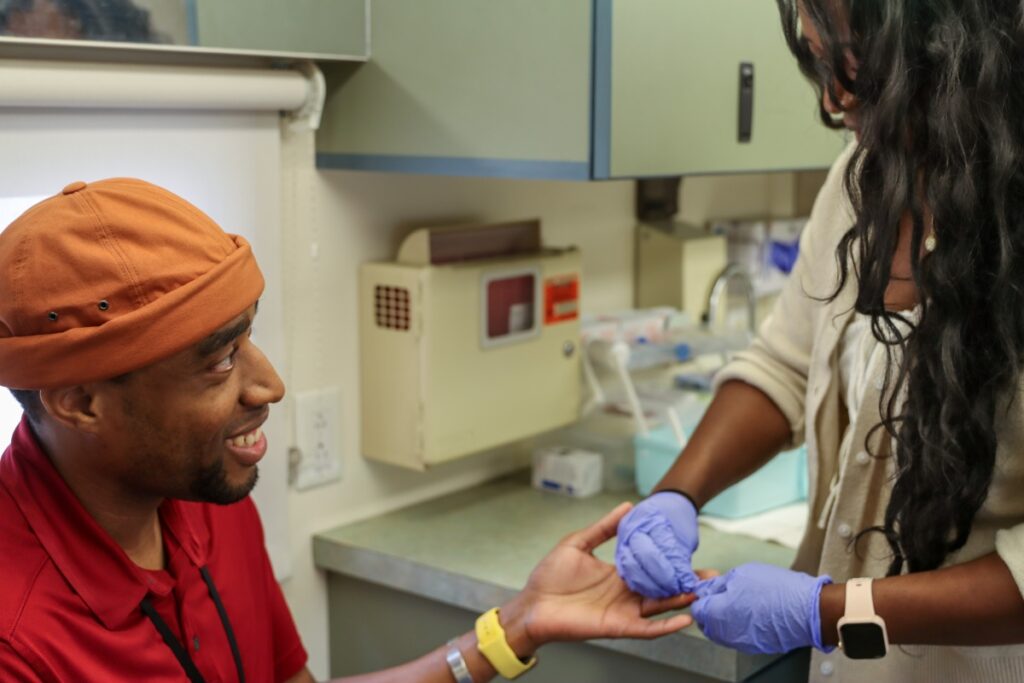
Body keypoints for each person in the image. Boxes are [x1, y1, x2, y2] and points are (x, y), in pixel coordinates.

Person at [0, 178, 701, 682]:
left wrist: (515, 625)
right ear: (81, 403)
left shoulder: (200, 500)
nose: (268, 385)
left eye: (247, 338)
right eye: (217, 363)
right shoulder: (18, 640)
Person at [614, 1, 1024, 681]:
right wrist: (676, 495)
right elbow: (784, 364)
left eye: (854, 66)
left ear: (956, 48)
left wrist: (830, 609)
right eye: (816, 62)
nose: (833, 101)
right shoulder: (859, 184)